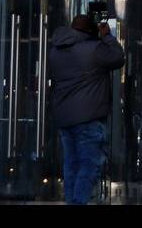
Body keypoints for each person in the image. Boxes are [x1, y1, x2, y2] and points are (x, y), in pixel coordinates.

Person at [47, 14, 125, 205]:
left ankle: (72, 201)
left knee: (71, 165)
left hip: (65, 118)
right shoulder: (94, 49)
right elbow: (118, 58)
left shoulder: (55, 51)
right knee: (89, 165)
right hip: (88, 118)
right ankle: (79, 202)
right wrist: (107, 36)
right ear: (91, 31)